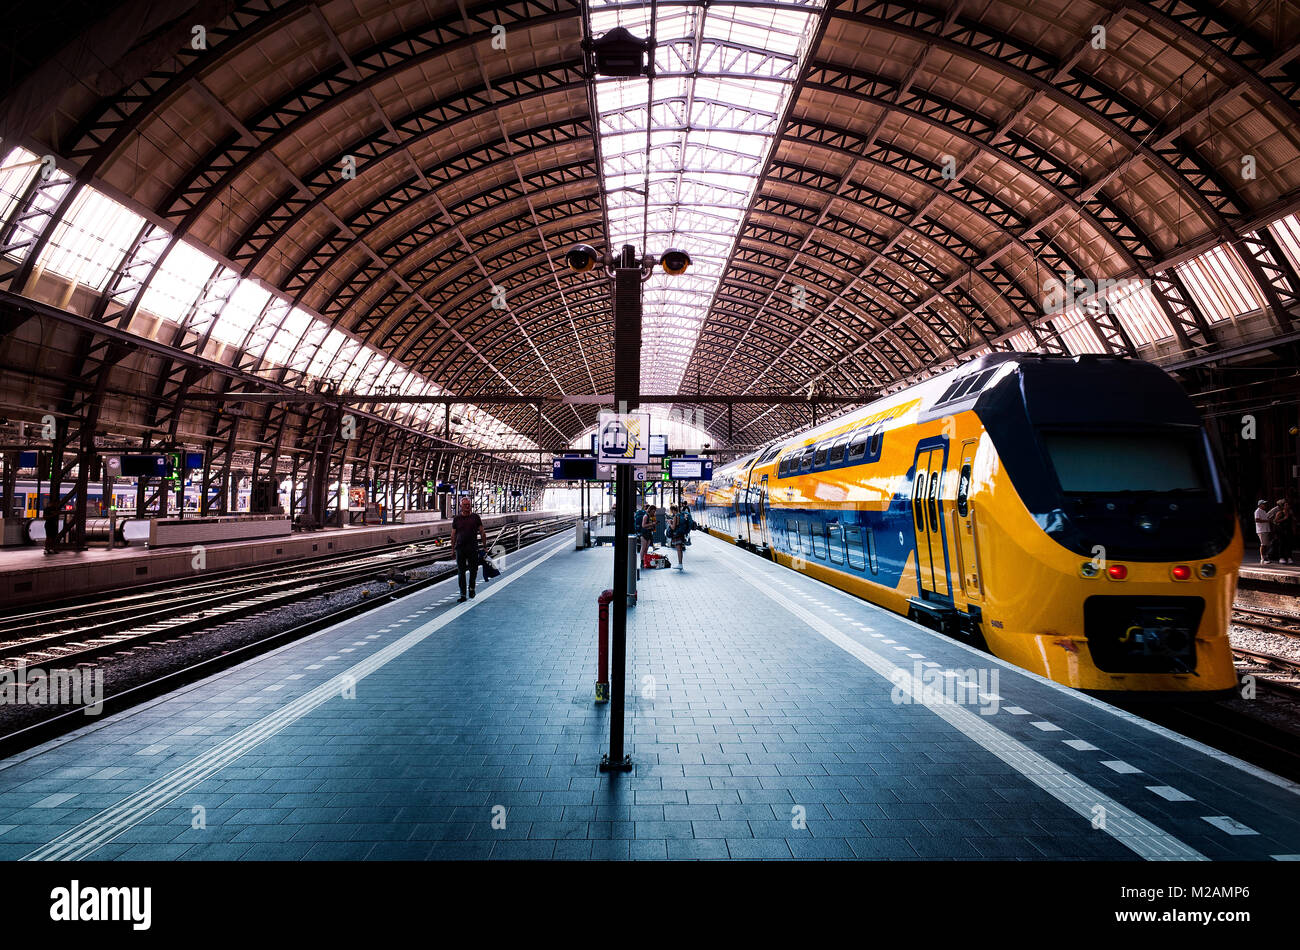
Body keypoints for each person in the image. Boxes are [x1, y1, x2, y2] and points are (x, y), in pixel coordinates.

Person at [451, 496, 488, 601]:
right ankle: (463, 594)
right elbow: (453, 535)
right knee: (461, 572)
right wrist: (452, 549)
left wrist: (485, 546)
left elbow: (482, 532)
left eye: (468, 505)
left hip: (473, 548)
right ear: (460, 506)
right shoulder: (456, 519)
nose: (467, 507)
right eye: (465, 505)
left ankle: (471, 588)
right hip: (460, 549)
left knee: (474, 570)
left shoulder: (475, 517)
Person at [669, 503, 692, 571]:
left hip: (677, 535)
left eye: (671, 510)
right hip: (681, 534)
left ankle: (680, 564)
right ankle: (680, 563)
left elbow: (673, 528)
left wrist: (670, 523)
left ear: (673, 510)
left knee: (679, 550)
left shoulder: (675, 516)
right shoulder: (680, 515)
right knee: (680, 550)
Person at [1273, 498, 1295, 565]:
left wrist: (1294, 529)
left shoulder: (1290, 512)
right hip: (1281, 530)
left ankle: (1289, 557)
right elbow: (1275, 521)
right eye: (1286, 505)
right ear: (1283, 506)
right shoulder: (1280, 513)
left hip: (1289, 530)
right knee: (1282, 544)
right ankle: (1281, 557)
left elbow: (1293, 521)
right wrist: (1284, 518)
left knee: (1289, 544)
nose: (1287, 506)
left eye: (1288, 505)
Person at [1254, 499, 1273, 564]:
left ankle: (1265, 557)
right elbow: (1257, 520)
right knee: (1263, 544)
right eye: (1263, 504)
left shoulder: (1264, 511)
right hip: (1261, 530)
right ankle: (1263, 558)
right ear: (1260, 505)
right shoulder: (1257, 511)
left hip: (1266, 529)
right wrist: (1267, 521)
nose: (1265, 505)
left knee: (1267, 544)